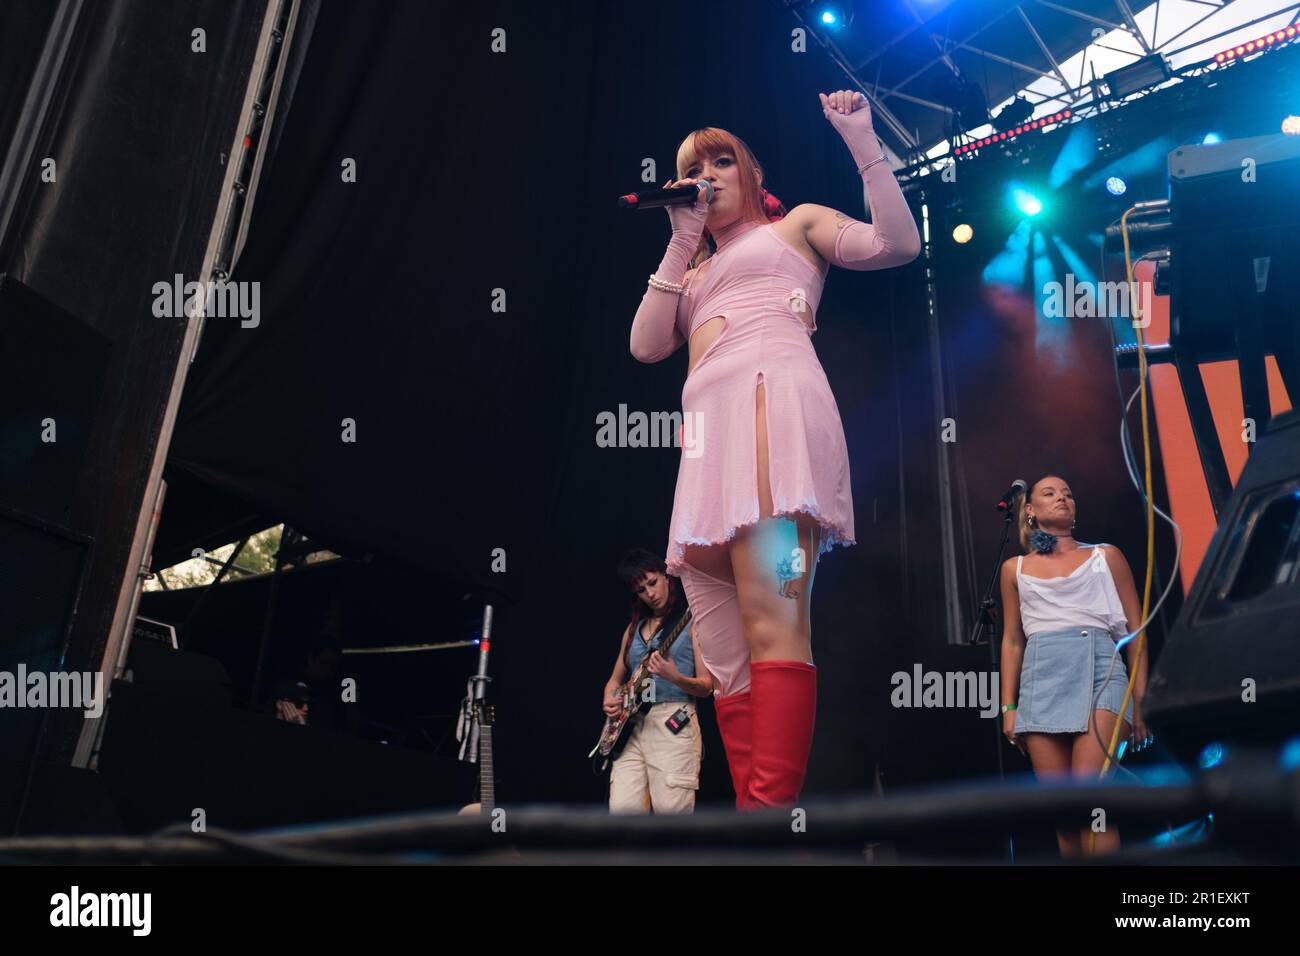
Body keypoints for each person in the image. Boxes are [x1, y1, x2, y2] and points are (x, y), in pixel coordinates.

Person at [628, 90, 920, 808]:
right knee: (726, 664)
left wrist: (860, 139)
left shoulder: (796, 227)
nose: (709, 175)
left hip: (770, 415)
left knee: (774, 624)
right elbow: (644, 346)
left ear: (752, 172)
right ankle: (756, 827)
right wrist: (678, 238)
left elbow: (899, 246)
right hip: (707, 447)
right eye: (694, 167)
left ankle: (770, 833)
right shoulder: (691, 275)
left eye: (722, 161)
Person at [999, 475, 1153, 856]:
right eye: (1050, 493)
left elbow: (1137, 632)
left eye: (1068, 492)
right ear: (1030, 510)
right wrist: (1008, 708)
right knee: (1063, 812)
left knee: (1091, 800)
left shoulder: (1106, 555)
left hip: (1101, 671)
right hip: (1041, 680)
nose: (1063, 497)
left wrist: (1141, 701)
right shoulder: (1013, 569)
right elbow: (1013, 641)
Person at [603, 549, 716, 813]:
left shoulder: (692, 621)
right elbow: (614, 680)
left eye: (653, 582)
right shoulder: (632, 630)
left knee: (672, 819)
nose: (650, 593)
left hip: (673, 719)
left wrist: (674, 676)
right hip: (630, 728)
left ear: (667, 576)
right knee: (622, 815)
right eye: (641, 590)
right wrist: (609, 698)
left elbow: (707, 686)